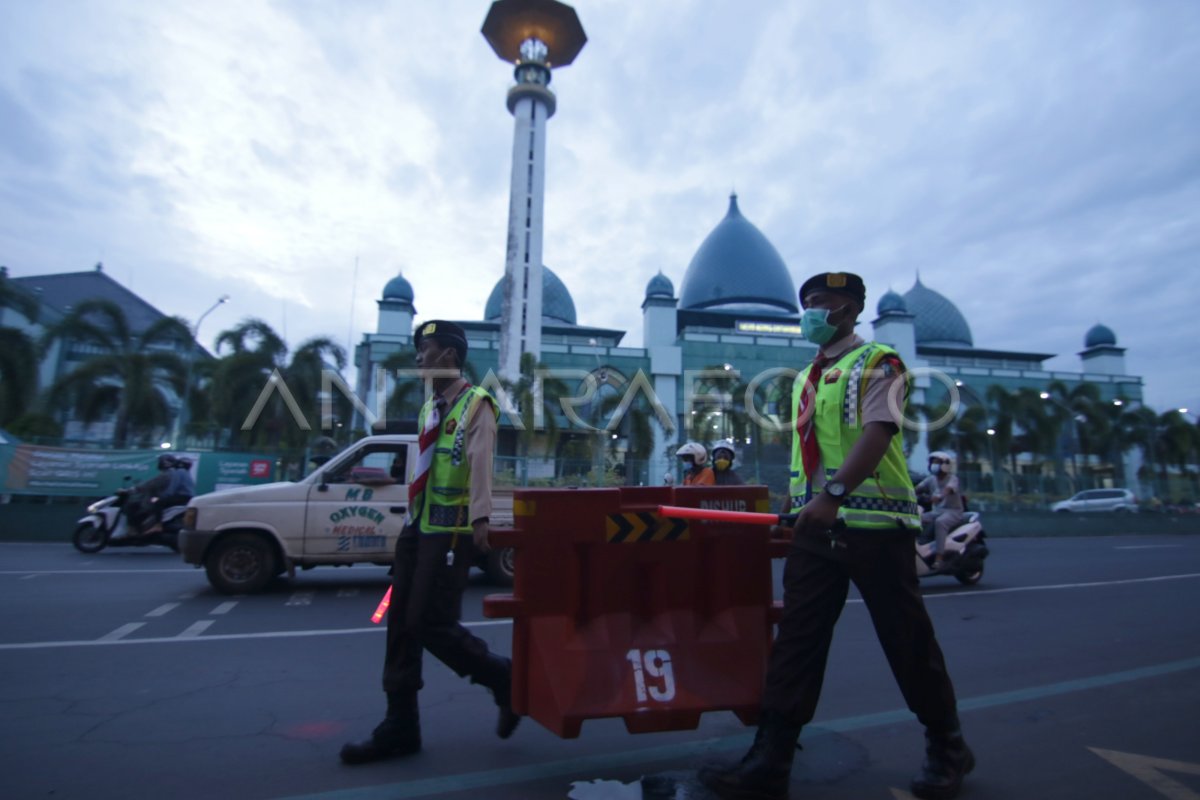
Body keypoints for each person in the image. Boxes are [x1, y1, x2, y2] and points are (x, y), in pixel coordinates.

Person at [700, 272, 973, 800]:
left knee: (906, 642)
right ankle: (771, 759)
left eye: (820, 304)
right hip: (817, 530)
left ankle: (948, 745)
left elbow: (878, 432)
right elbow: (816, 448)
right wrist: (797, 497)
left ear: (848, 310)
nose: (809, 314)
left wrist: (834, 495)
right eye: (805, 305)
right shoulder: (808, 376)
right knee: (796, 645)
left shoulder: (880, 363)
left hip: (875, 528)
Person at [341, 320, 519, 764]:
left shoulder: (476, 405)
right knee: (400, 624)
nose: (419, 358)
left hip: (452, 534)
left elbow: (480, 463)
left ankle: (503, 678)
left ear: (449, 357)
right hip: (417, 531)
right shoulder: (429, 410)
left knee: (428, 622)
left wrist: (481, 519)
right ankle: (400, 725)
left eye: (426, 349)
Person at [914, 451, 965, 571]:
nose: (934, 465)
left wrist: (940, 496)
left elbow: (948, 490)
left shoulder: (953, 479)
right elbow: (918, 488)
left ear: (945, 464)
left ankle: (939, 558)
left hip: (953, 512)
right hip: (936, 511)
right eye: (932, 462)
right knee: (916, 519)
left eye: (937, 462)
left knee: (940, 523)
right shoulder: (931, 479)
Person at [119, 454, 175, 537]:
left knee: (131, 507)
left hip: (156, 499)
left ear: (164, 463)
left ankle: (134, 530)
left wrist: (131, 490)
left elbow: (150, 484)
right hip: (156, 497)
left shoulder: (167, 474)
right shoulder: (168, 473)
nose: (158, 463)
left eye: (159, 462)